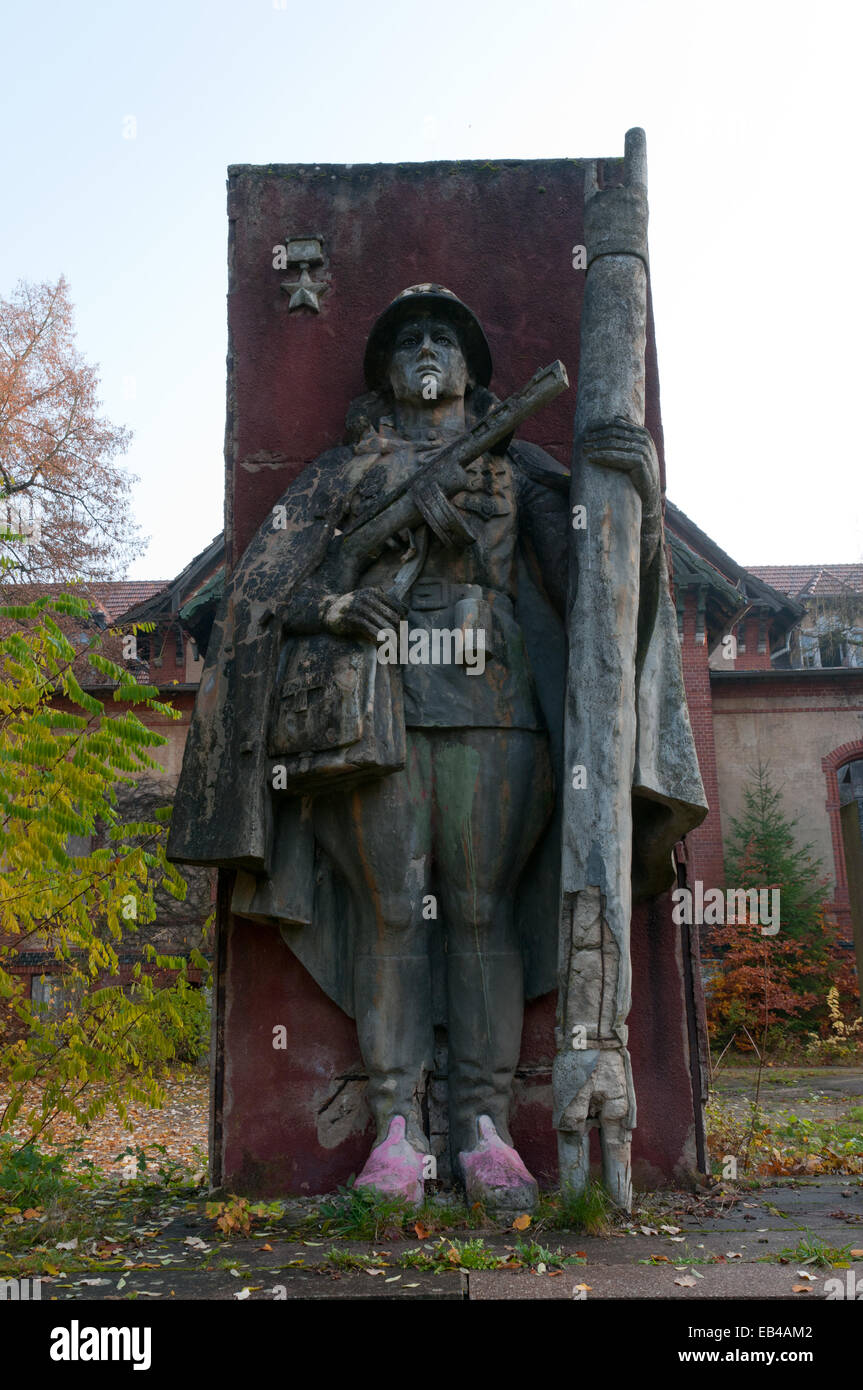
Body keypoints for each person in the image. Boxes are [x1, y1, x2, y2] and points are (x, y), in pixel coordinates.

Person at [169, 284, 700, 1210]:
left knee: (483, 911)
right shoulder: (340, 474)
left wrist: (636, 498)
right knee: (390, 918)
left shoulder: (520, 465)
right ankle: (397, 1133)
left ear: (470, 367)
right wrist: (333, 606)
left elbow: (597, 590)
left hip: (498, 706)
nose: (424, 349)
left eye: (443, 338)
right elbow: (253, 596)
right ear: (382, 368)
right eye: (406, 337)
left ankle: (486, 1131)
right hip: (372, 715)